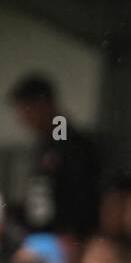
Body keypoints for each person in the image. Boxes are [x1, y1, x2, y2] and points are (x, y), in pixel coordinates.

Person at [6, 74, 100, 239]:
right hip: (43, 232)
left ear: (42, 104)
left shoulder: (62, 134)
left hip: (63, 235)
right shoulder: (47, 141)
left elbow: (74, 188)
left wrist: (70, 230)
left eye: (26, 109)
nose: (23, 118)